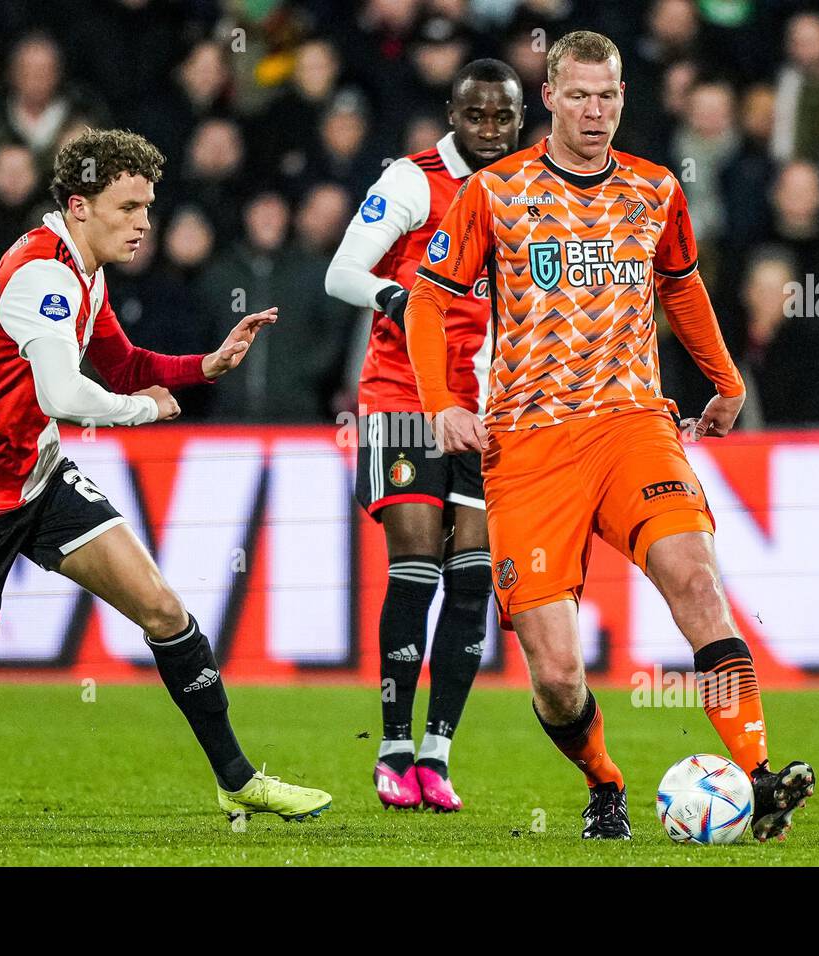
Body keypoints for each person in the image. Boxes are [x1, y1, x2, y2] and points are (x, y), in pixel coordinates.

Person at [0, 129, 331, 838]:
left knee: (164, 612)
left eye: (148, 206)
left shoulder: (85, 268)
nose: (144, 222)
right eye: (128, 205)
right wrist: (143, 412)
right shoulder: (43, 276)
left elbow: (123, 360)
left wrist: (203, 366)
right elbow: (61, 392)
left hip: (38, 477)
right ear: (80, 206)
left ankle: (239, 781)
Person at [405, 31, 815, 841]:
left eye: (610, 94)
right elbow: (428, 300)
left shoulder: (655, 190)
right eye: (581, 95)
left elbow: (684, 290)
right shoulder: (496, 192)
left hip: (633, 424)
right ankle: (605, 782)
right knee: (556, 674)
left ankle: (761, 778)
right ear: (550, 97)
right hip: (527, 445)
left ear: (624, 96)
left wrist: (728, 384)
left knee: (698, 584)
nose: (597, 111)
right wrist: (442, 400)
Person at [326, 58, 524, 812]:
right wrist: (405, 298)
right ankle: (391, 746)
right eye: (475, 115)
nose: (489, 128)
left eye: (502, 116)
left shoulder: (528, 190)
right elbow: (341, 271)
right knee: (416, 559)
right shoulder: (412, 180)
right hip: (403, 400)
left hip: (488, 410)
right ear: (452, 112)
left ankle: (437, 754)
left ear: (517, 117)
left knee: (473, 575)